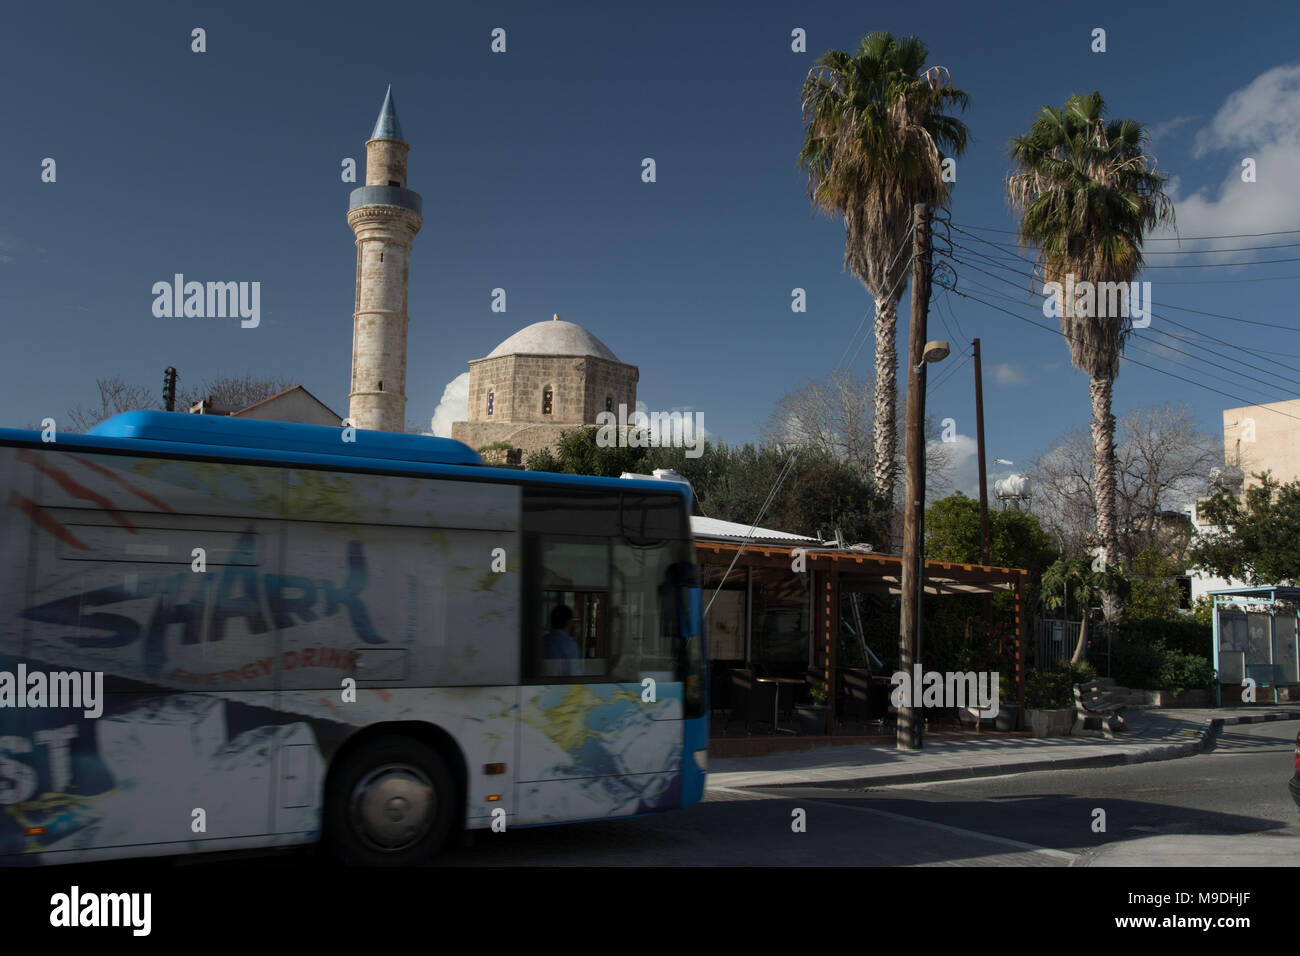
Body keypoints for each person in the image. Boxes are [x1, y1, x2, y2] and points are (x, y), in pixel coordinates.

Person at [543, 604, 581, 677]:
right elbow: (574, 675)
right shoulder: (570, 646)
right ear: (569, 622)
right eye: (573, 621)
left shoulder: (543, 641)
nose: (575, 624)